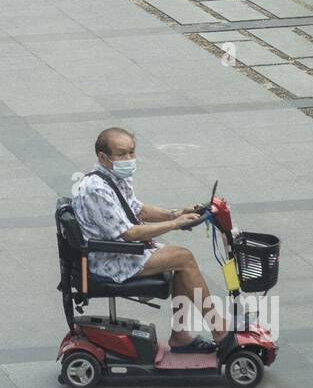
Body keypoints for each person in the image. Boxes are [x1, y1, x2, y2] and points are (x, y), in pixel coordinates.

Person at [71, 127, 228, 352]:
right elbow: (129, 233)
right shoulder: (96, 189)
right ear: (103, 157)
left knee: (182, 264)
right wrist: (175, 224)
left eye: (132, 152)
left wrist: (175, 213)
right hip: (108, 259)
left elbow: (138, 210)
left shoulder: (114, 177)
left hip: (122, 250)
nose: (129, 159)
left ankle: (180, 336)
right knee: (184, 257)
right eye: (122, 154)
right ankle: (220, 330)